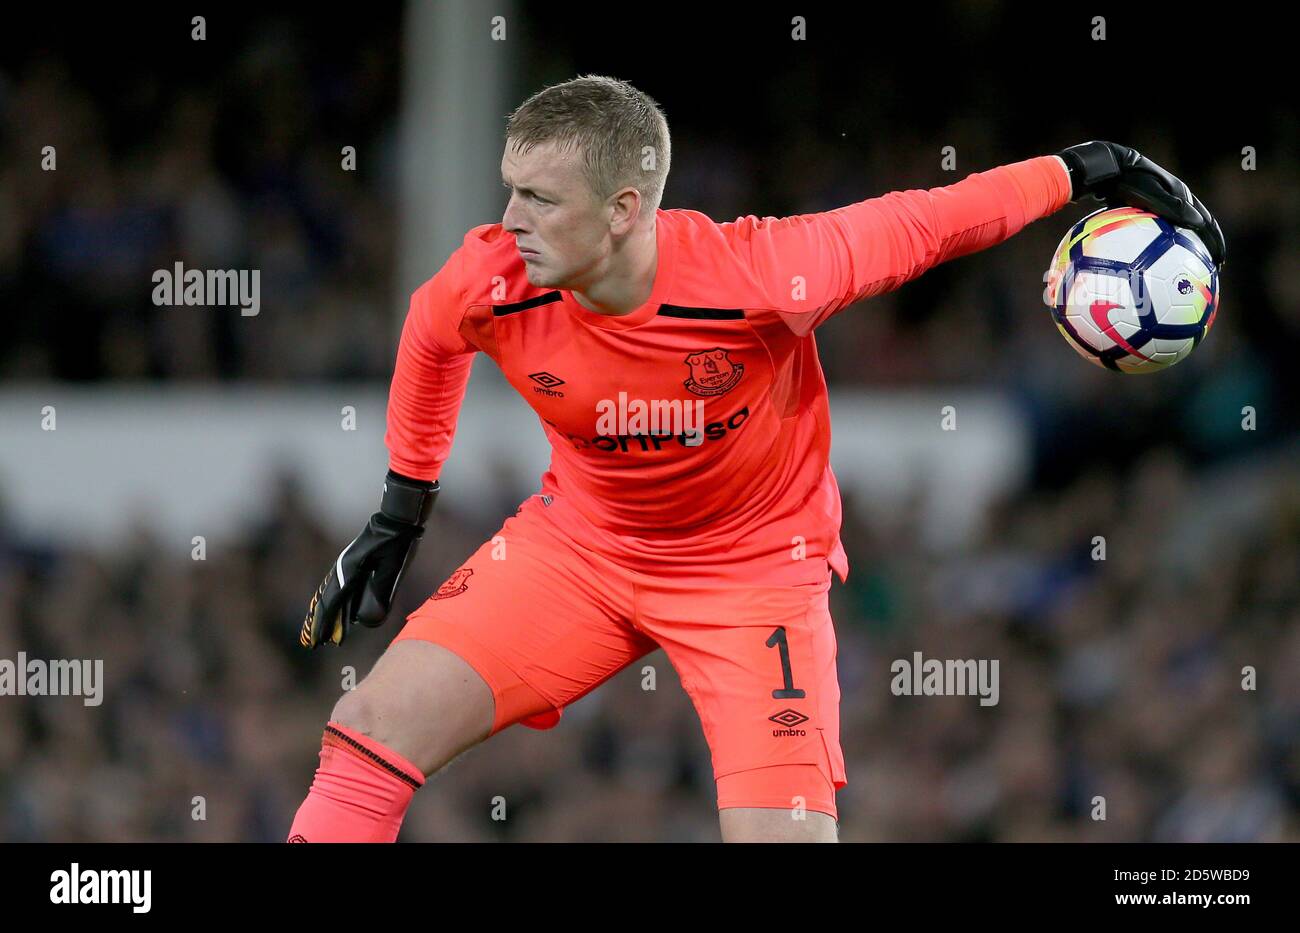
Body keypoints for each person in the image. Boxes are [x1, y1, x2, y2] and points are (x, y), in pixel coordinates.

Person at [287, 74, 1224, 843]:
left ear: (622, 209)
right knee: (367, 730)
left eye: (538, 196)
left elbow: (930, 222)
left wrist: (1088, 167)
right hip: (579, 550)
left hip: (753, 579)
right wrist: (401, 507)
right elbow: (427, 340)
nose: (509, 216)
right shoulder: (492, 278)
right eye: (510, 187)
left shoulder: (763, 274)